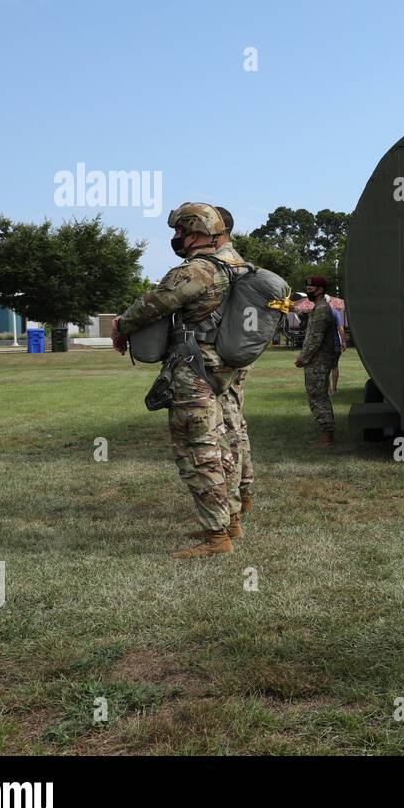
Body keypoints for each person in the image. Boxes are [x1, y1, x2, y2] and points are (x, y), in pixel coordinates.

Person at [111, 202, 240, 558]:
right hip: (220, 370)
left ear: (195, 230)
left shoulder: (197, 270)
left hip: (192, 372)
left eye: (180, 231)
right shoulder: (236, 266)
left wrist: (121, 325)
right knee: (219, 446)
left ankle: (217, 538)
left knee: (198, 451)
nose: (176, 238)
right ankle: (229, 521)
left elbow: (153, 304)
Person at [210, 207, 255, 530]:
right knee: (236, 423)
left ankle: (233, 508)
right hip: (236, 352)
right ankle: (245, 490)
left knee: (226, 429)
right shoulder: (237, 260)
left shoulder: (221, 263)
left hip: (222, 355)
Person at [295, 275, 344, 446]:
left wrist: (304, 358)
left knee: (318, 397)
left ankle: (327, 436)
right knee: (319, 395)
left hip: (318, 362)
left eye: (310, 290)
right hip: (318, 360)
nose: (308, 293)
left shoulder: (322, 310)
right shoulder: (319, 308)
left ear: (320, 290)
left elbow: (315, 338)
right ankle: (327, 433)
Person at [328, 291, 348, 396]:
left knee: (325, 368)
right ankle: (334, 389)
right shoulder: (335, 312)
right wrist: (344, 341)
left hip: (322, 346)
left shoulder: (317, 313)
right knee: (334, 366)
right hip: (335, 344)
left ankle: (326, 390)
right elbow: (340, 328)